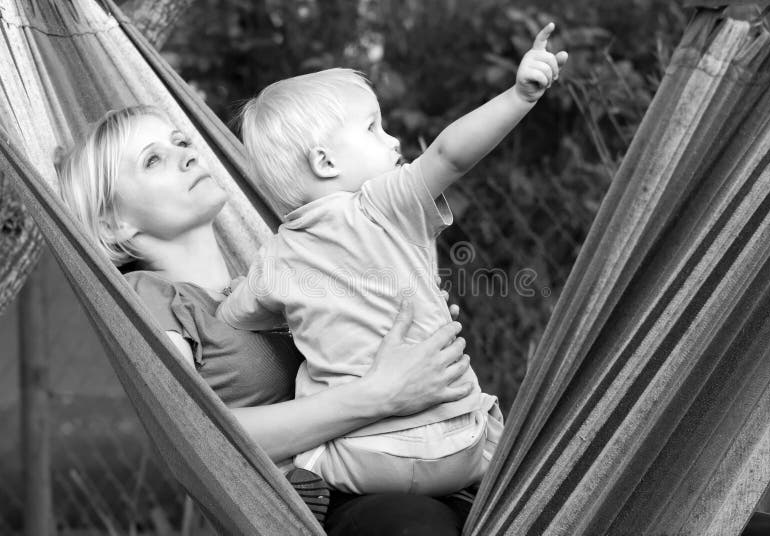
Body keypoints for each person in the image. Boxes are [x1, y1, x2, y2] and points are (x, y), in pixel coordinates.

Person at [55, 104, 475, 535]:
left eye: (181, 141)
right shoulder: (150, 298)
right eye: (153, 159)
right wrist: (379, 394)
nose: (187, 154)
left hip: (407, 456)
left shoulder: (267, 277)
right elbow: (194, 428)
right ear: (113, 224)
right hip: (316, 502)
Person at [215, 22, 567, 495]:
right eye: (373, 128)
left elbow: (232, 318)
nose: (394, 140)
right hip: (458, 441)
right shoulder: (383, 204)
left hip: (360, 458)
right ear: (325, 163)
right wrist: (519, 97)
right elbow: (449, 154)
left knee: (296, 456)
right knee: (485, 425)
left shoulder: (273, 258)